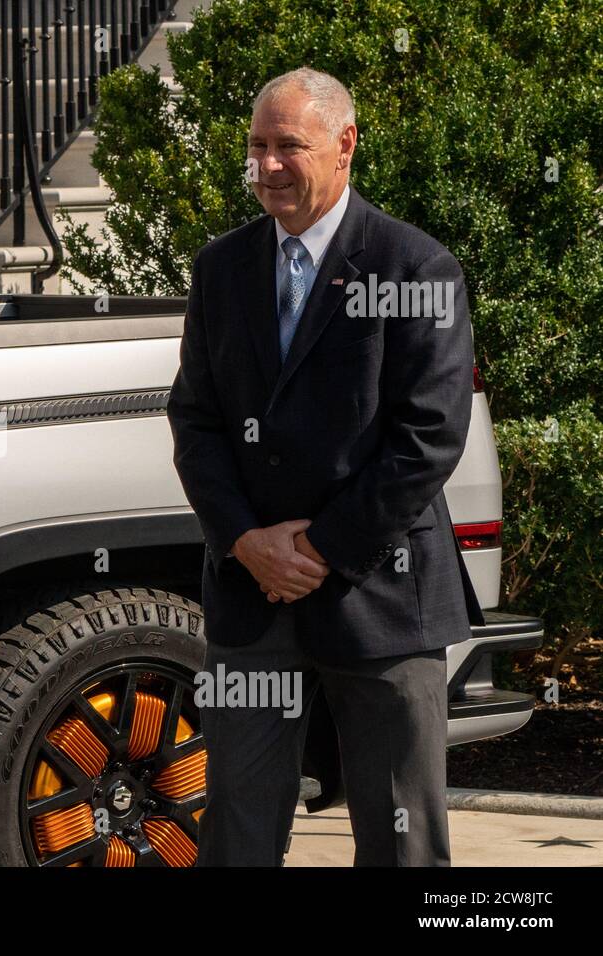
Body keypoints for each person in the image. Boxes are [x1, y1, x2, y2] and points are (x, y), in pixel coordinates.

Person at [166, 67, 484, 866]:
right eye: (257, 147)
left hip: (380, 594)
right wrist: (245, 541)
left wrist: (316, 551)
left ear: (344, 146)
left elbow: (429, 436)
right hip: (250, 596)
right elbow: (196, 420)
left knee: (400, 835)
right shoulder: (222, 267)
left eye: (288, 148)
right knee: (236, 826)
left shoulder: (415, 268)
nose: (267, 167)